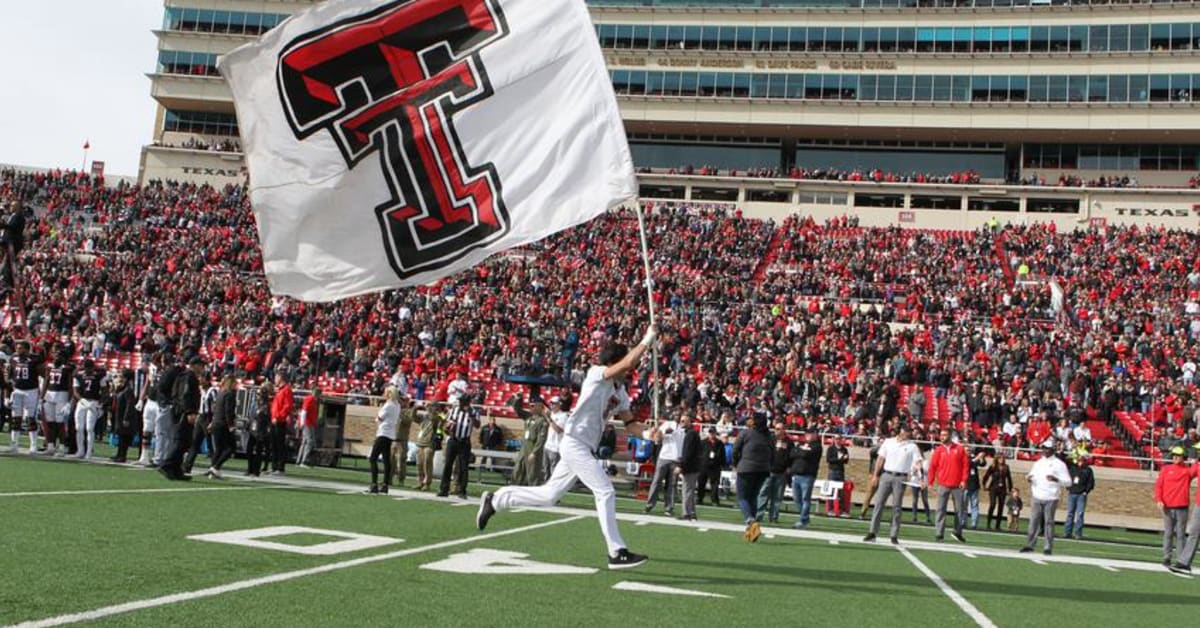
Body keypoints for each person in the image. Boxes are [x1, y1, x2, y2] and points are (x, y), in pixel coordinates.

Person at [478, 328, 656, 570]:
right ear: (615, 362)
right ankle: (616, 551)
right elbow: (628, 361)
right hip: (575, 442)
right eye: (626, 367)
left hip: (584, 446)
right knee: (605, 491)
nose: (630, 371)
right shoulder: (596, 374)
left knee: (549, 495)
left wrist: (647, 434)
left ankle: (496, 499)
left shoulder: (620, 392)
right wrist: (646, 339)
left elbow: (630, 423)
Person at [864, 424, 921, 544]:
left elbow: (918, 461)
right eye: (906, 431)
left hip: (901, 477)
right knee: (879, 504)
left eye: (909, 431)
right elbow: (880, 459)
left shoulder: (912, 446)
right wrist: (875, 475)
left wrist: (918, 470)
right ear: (901, 430)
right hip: (886, 475)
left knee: (897, 507)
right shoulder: (888, 442)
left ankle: (894, 534)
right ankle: (872, 532)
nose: (908, 433)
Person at [1020, 440, 1072, 555]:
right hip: (1037, 494)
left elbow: (1068, 482)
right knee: (1033, 521)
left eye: (1047, 448)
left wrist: (1056, 479)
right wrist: (1029, 478)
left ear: (1052, 450)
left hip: (1051, 496)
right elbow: (1032, 475)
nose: (1044, 450)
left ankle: (1048, 547)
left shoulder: (1059, 464)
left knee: (1049, 522)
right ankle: (1030, 544)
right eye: (1043, 448)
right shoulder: (1038, 463)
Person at [158, 357, 203, 481]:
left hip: (179, 410)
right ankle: (167, 464)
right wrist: (189, 411)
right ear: (194, 365)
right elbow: (186, 395)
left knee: (184, 441)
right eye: (201, 366)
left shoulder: (183, 376)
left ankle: (176, 469)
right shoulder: (189, 377)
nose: (202, 369)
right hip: (183, 412)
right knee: (181, 440)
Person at [1155, 446, 1197, 570]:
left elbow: (1196, 469)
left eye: (1178, 455)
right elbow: (1159, 486)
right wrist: (1159, 500)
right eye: (1174, 455)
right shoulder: (1166, 469)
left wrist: (1196, 460)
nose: (1175, 457)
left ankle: (1181, 559)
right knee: (1168, 533)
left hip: (1182, 506)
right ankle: (1166, 557)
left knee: (1180, 534)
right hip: (1167, 506)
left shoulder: (1187, 471)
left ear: (1183, 457)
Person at [733, 412, 772, 542]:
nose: (748, 420)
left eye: (751, 418)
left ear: (754, 422)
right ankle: (751, 530)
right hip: (763, 470)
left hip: (746, 468)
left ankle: (751, 522)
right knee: (753, 497)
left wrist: (736, 463)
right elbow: (773, 453)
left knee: (742, 497)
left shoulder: (746, 433)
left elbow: (735, 449)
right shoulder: (768, 436)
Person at [928, 428, 969, 543]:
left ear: (950, 436)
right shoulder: (939, 450)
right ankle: (939, 534)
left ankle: (957, 531)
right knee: (940, 509)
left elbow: (965, 466)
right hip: (943, 484)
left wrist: (963, 480)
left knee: (959, 510)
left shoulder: (959, 449)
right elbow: (932, 467)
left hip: (957, 485)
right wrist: (930, 482)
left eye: (945, 435)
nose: (942, 437)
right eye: (941, 435)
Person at [438, 394, 479, 498]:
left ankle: (462, 491)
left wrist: (471, 415)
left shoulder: (473, 411)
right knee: (448, 465)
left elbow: (477, 425)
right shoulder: (454, 410)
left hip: (464, 441)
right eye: (460, 401)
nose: (460, 403)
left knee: (463, 467)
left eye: (462, 401)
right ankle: (444, 489)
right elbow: (447, 425)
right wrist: (447, 429)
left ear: (468, 402)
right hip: (453, 439)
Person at [644, 413, 685, 516]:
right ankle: (650, 504)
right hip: (664, 457)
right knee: (657, 481)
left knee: (671, 484)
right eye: (677, 415)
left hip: (676, 459)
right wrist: (660, 432)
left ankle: (669, 507)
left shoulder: (684, 430)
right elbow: (657, 439)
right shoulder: (667, 424)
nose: (678, 418)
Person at [8, 340, 43, 454]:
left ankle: (33, 445)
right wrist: (9, 394)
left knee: (30, 418)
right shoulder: (13, 359)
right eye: (17, 348)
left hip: (31, 391)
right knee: (15, 418)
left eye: (21, 348)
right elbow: (10, 375)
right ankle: (14, 444)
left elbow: (43, 373)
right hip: (17, 390)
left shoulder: (35, 359)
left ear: (27, 349)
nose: (18, 350)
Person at [40, 345, 74, 457]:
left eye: (59, 355)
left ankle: (62, 447)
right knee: (50, 422)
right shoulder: (49, 367)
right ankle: (50, 446)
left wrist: (69, 402)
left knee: (60, 423)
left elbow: (70, 386)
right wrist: (42, 397)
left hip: (62, 395)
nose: (56, 357)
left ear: (64, 357)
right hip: (50, 394)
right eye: (55, 354)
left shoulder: (68, 368)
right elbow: (46, 382)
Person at [72, 358, 107, 460]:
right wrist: (81, 400)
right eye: (86, 367)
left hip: (93, 402)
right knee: (79, 427)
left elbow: (105, 391)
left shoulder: (99, 376)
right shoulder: (78, 376)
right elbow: (75, 391)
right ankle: (80, 450)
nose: (88, 370)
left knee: (89, 428)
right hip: (82, 402)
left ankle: (89, 452)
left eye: (89, 368)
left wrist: (100, 404)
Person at [368, 387, 401, 495]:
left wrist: (378, 416)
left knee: (373, 458)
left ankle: (374, 484)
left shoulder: (388, 405)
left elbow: (380, 418)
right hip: (390, 434)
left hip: (383, 432)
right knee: (386, 459)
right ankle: (385, 484)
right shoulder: (397, 405)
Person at [759, 421, 793, 525]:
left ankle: (773, 517)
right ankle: (758, 516)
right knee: (763, 494)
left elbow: (792, 456)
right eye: (776, 428)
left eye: (779, 429)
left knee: (777, 497)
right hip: (769, 471)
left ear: (784, 430)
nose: (777, 431)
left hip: (781, 473)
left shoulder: (789, 442)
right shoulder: (770, 439)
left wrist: (789, 467)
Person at [788, 426, 822, 529]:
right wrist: (801, 451)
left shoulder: (817, 446)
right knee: (797, 499)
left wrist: (801, 452)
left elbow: (805, 455)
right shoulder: (801, 444)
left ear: (815, 434)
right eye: (807, 433)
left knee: (805, 499)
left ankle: (803, 520)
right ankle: (805, 518)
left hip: (807, 475)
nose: (808, 435)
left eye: (810, 433)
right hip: (796, 474)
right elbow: (792, 454)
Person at [511, 394, 548, 486]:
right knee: (518, 471)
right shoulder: (528, 417)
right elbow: (518, 410)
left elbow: (541, 439)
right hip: (524, 448)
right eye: (530, 405)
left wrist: (534, 452)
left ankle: (533, 497)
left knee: (532, 475)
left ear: (539, 406)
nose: (530, 407)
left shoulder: (542, 421)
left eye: (533, 405)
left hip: (532, 448)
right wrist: (518, 399)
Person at [205, 375, 238, 479]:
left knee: (219, 449)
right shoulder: (229, 394)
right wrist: (231, 425)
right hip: (223, 424)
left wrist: (212, 421)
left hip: (216, 423)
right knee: (231, 447)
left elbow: (215, 409)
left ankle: (213, 470)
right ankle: (216, 467)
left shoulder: (220, 393)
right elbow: (228, 411)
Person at [135, 354, 163, 467]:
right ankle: (144, 456)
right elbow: (146, 384)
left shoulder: (167, 370)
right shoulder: (151, 369)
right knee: (146, 430)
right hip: (150, 401)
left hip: (160, 403)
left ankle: (157, 457)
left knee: (158, 431)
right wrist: (141, 399)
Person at [109, 369, 140, 463]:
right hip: (119, 416)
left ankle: (122, 455)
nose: (119, 379)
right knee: (120, 436)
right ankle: (119, 454)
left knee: (124, 437)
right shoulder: (121, 389)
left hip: (125, 417)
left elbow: (129, 405)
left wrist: (126, 418)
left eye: (121, 377)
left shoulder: (128, 390)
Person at [677, 413, 703, 521]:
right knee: (690, 490)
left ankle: (686, 512)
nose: (681, 423)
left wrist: (681, 466)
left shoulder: (691, 434)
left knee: (686, 490)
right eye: (681, 420)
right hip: (693, 466)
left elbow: (687, 453)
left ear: (689, 422)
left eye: (684, 421)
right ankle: (691, 512)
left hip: (690, 466)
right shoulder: (692, 434)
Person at [1063, 453, 1095, 539]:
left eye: (1082, 460)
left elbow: (1091, 483)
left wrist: (1086, 491)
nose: (1080, 462)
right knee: (1070, 513)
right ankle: (1067, 532)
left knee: (1080, 514)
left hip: (1081, 494)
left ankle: (1077, 533)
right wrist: (1068, 487)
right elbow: (1065, 461)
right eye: (1079, 460)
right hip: (1072, 493)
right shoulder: (1073, 467)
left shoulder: (1088, 470)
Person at [413, 401, 443, 491]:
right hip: (420, 442)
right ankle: (420, 481)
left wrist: (428, 409)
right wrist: (415, 408)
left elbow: (433, 419)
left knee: (427, 463)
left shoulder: (438, 417)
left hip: (430, 443)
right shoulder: (424, 417)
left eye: (432, 407)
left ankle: (427, 483)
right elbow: (414, 418)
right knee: (419, 463)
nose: (430, 408)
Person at [245, 380, 273, 477]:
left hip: (260, 430)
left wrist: (267, 430)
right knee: (249, 449)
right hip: (253, 429)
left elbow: (267, 419)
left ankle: (256, 470)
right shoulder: (255, 404)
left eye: (259, 394)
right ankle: (250, 468)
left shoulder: (266, 406)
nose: (257, 396)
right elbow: (251, 416)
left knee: (259, 450)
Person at [269, 373, 294, 475]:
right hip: (274, 420)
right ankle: (274, 466)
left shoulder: (286, 390)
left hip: (279, 421)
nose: (275, 379)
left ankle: (280, 467)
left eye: (276, 377)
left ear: (281, 378)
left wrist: (278, 417)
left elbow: (287, 406)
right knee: (274, 444)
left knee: (279, 444)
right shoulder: (279, 390)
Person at [390, 394, 416, 486]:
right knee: (390, 460)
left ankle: (401, 480)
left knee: (401, 461)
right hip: (393, 439)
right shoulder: (395, 410)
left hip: (402, 440)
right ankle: (389, 479)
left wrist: (399, 413)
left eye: (403, 400)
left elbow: (406, 421)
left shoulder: (408, 412)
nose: (401, 402)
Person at [983, 454, 1014, 530]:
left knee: (1001, 506)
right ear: (997, 459)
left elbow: (1009, 479)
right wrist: (984, 485)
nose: (1002, 460)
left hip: (1002, 489)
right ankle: (988, 523)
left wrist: (1010, 489)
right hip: (993, 488)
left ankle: (997, 525)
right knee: (992, 504)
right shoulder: (993, 467)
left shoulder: (1006, 467)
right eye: (1000, 458)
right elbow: (986, 476)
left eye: (1003, 458)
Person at [825, 434, 851, 516]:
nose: (838, 440)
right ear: (834, 439)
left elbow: (846, 461)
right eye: (836, 439)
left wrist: (844, 458)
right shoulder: (831, 449)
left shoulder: (844, 449)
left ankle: (841, 510)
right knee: (831, 491)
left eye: (839, 439)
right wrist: (839, 459)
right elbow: (828, 459)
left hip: (840, 471)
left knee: (841, 492)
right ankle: (830, 509)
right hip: (832, 471)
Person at [698, 427, 725, 506]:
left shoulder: (720, 443)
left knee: (715, 484)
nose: (711, 434)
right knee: (701, 483)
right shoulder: (703, 442)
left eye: (713, 433)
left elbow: (722, 455)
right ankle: (700, 498)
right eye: (710, 432)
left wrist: (722, 464)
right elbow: (699, 453)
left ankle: (714, 500)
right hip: (703, 466)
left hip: (715, 467)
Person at [296, 387, 320, 468]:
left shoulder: (313, 400)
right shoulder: (310, 399)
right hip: (307, 423)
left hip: (309, 423)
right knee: (309, 441)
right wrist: (302, 423)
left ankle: (299, 460)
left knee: (305, 441)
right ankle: (304, 460)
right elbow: (304, 411)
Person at [543, 396, 567, 472]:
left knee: (553, 471)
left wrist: (549, 418)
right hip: (547, 446)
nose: (551, 405)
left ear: (559, 404)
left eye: (553, 403)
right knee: (545, 470)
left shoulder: (563, 416)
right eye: (551, 403)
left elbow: (558, 430)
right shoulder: (551, 414)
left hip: (555, 448)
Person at [965, 448, 987, 529]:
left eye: (969, 450)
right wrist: (978, 457)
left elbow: (983, 464)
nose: (969, 452)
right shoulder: (963, 458)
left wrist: (982, 457)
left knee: (974, 505)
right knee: (964, 505)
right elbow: (969, 464)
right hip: (965, 485)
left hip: (974, 485)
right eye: (967, 450)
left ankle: (974, 523)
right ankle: (963, 522)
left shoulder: (973, 458)